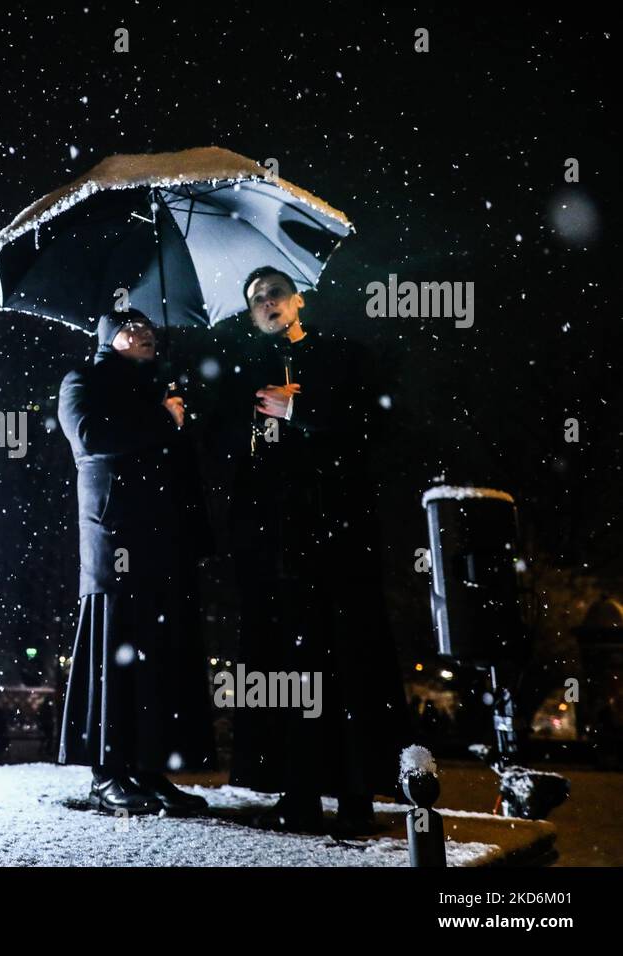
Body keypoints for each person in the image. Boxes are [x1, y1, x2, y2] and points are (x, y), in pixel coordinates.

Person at [225, 267, 408, 834]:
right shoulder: (246, 371)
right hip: (281, 544)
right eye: (256, 300)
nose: (267, 304)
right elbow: (232, 453)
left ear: (298, 299)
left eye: (275, 294)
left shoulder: (344, 356)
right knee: (290, 666)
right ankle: (297, 790)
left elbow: (377, 428)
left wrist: (300, 413)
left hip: (341, 535)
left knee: (349, 659)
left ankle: (356, 793)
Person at [57, 309, 214, 815]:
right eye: (130, 328)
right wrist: (159, 418)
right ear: (106, 337)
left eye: (148, 328)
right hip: (115, 532)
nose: (144, 333)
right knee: (114, 645)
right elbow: (89, 436)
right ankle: (107, 774)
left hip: (163, 541)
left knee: (157, 653)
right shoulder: (83, 379)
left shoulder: (160, 387)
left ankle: (149, 768)